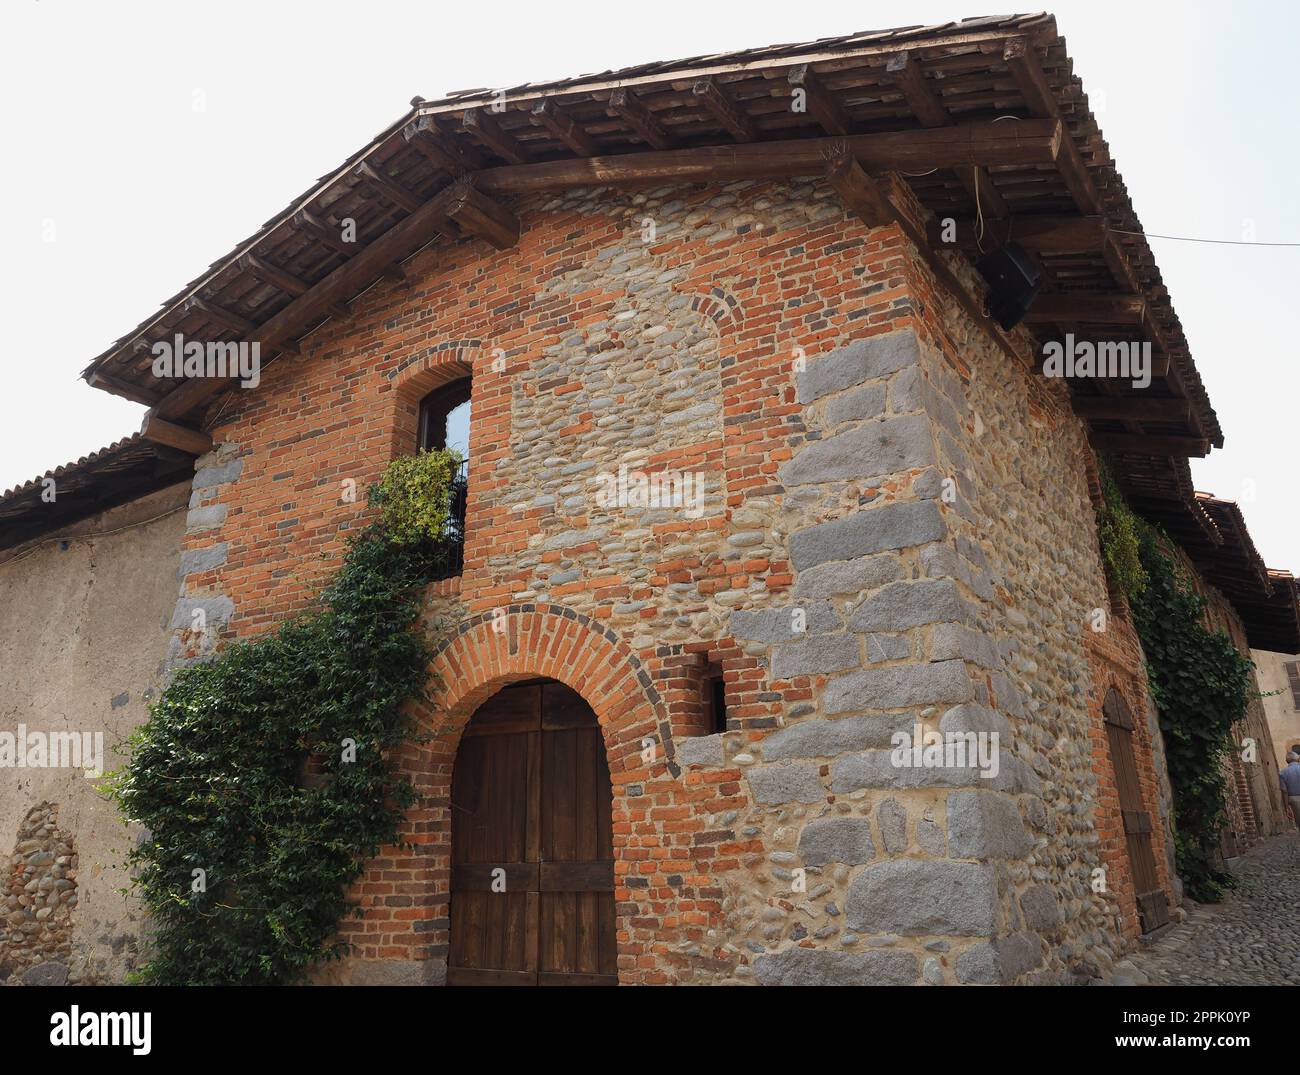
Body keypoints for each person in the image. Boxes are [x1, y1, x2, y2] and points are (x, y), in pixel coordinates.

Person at [1281, 752, 1300, 830]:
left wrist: (1286, 806)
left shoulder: (1283, 773)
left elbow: (1284, 791)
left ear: (1286, 761)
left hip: (1293, 799)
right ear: (1298, 759)